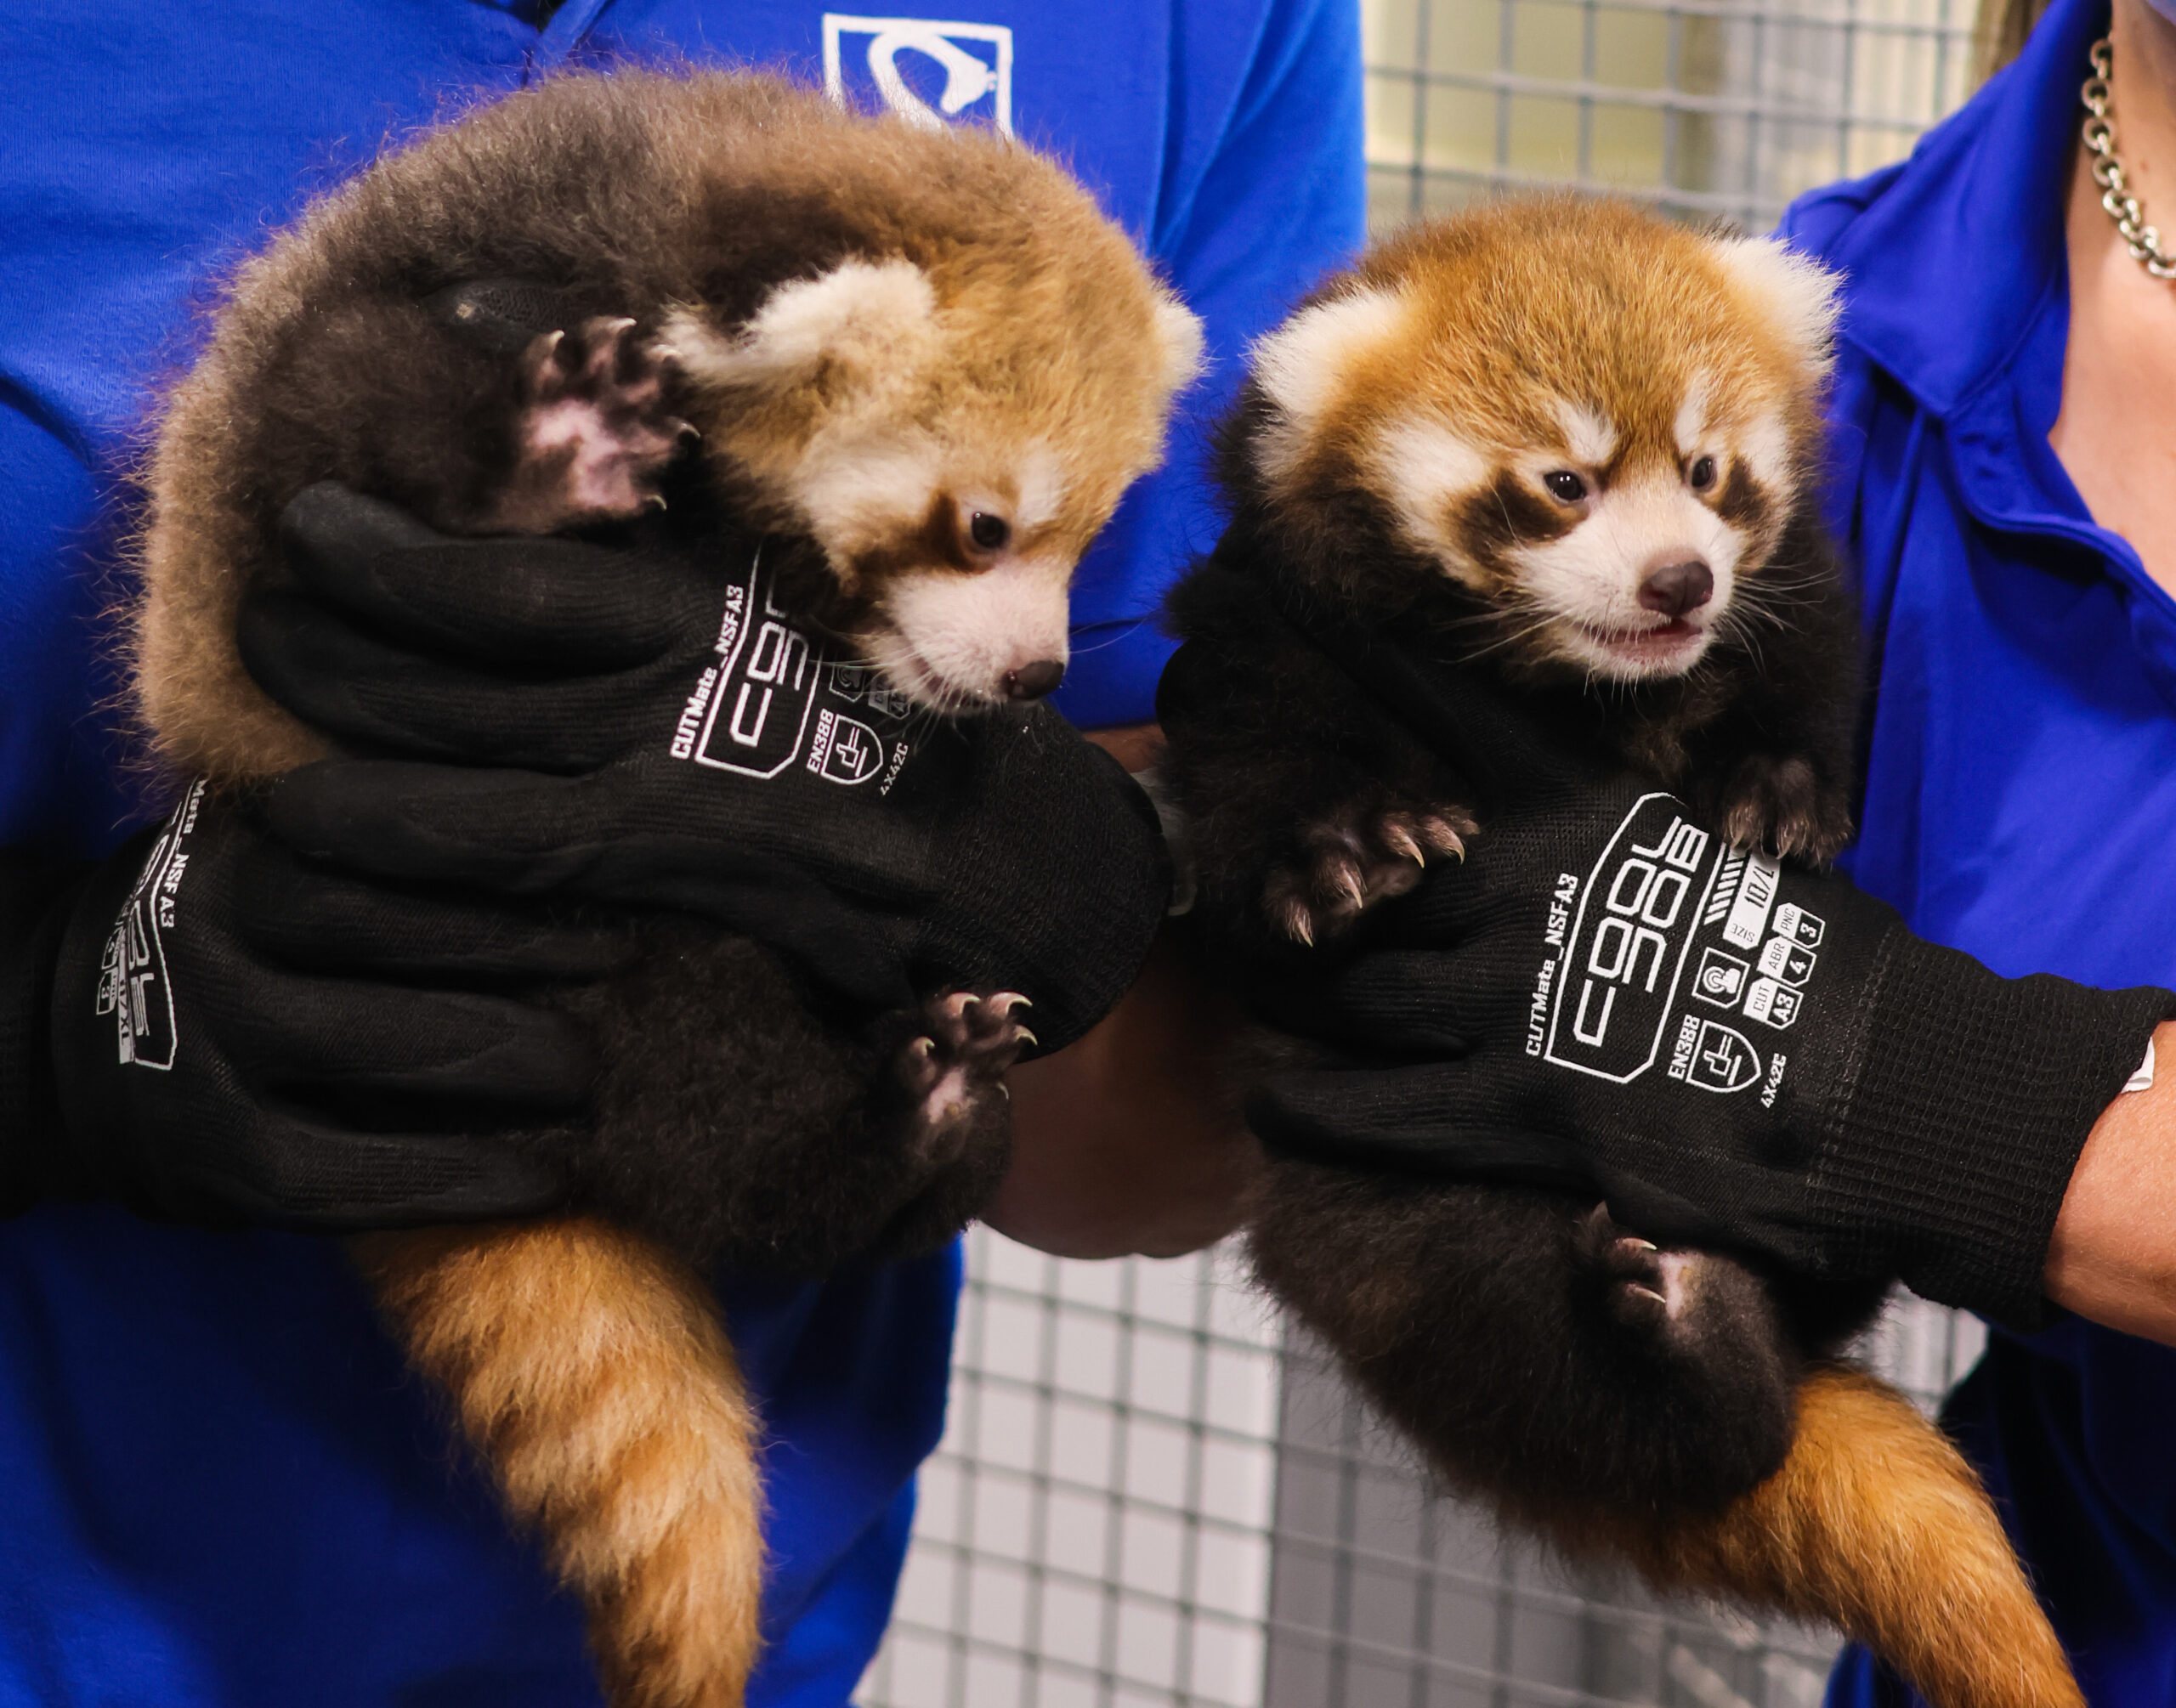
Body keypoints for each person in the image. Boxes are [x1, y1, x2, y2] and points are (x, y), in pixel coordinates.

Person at [0, 4, 1361, 1703]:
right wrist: (39, 1028)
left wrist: (1060, 874)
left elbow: (1125, 1147)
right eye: (999, 540)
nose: (1039, 636)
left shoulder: (1195, 42)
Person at [1200, 0, 2176, 1698]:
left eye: (1706, 496)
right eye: (1562, 494)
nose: (1675, 564)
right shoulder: (1854, 316)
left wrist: (1912, 1094)